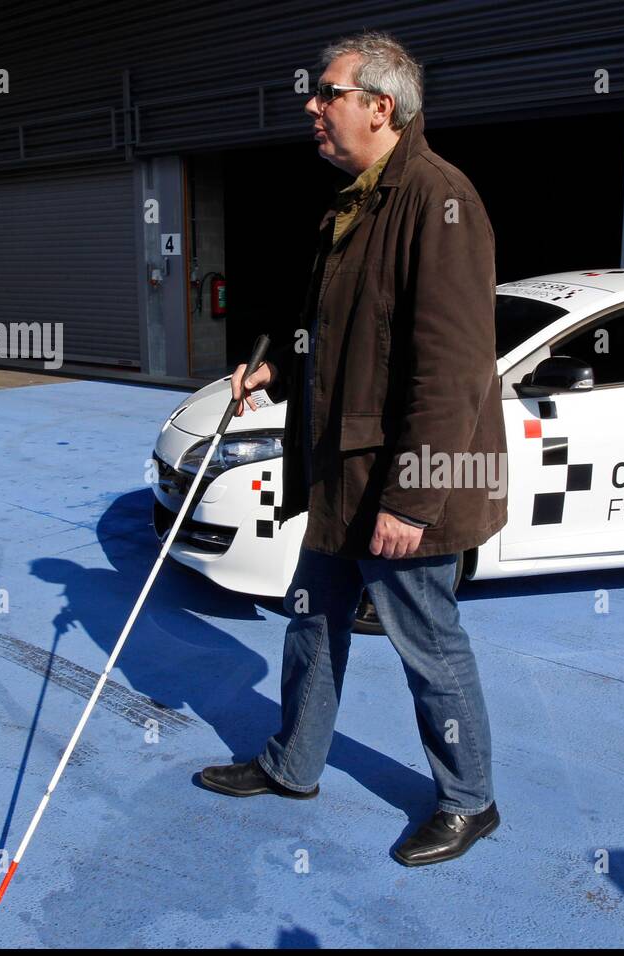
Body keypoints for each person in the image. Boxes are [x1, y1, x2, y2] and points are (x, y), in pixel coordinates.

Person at [199, 30, 508, 867]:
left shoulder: (440, 200)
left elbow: (452, 368)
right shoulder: (353, 204)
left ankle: (469, 799)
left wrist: (413, 497)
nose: (312, 105)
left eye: (327, 91)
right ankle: (294, 763)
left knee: (426, 642)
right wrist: (274, 365)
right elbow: (332, 334)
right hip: (339, 473)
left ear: (381, 105)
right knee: (310, 622)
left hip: (403, 482)